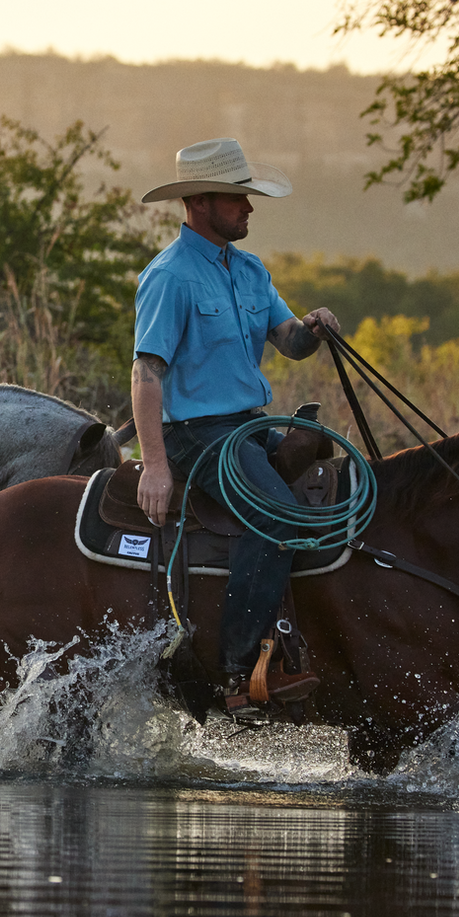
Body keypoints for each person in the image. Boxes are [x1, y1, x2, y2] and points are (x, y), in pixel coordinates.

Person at [130, 137, 341, 711]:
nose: (249, 208)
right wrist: (153, 464)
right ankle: (239, 671)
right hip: (196, 433)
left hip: (246, 426)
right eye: (236, 198)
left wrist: (314, 328)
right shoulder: (170, 276)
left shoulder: (250, 271)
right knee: (277, 516)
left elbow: (289, 342)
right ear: (199, 201)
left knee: (333, 482)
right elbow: (146, 373)